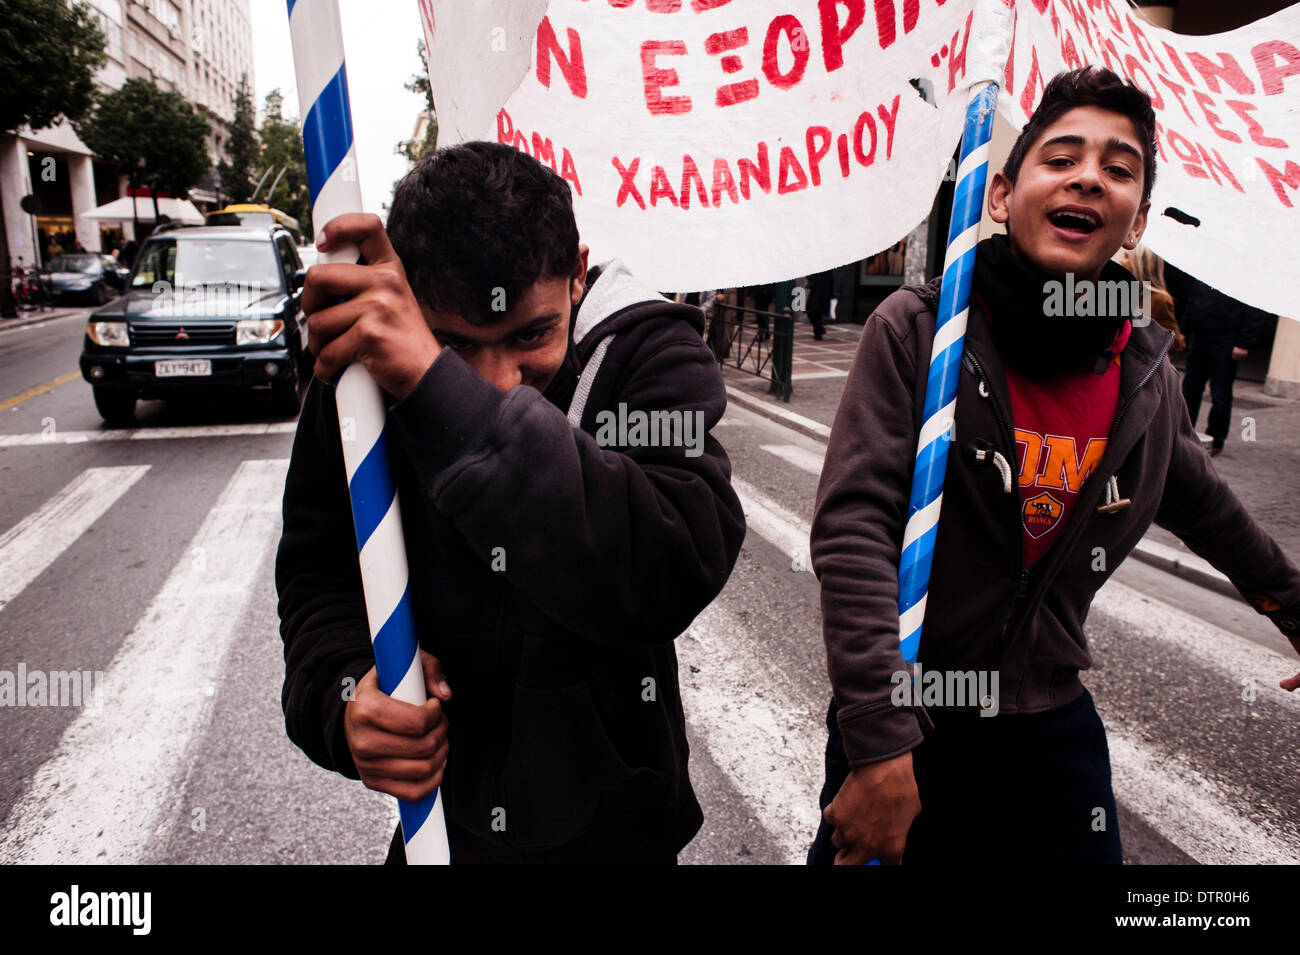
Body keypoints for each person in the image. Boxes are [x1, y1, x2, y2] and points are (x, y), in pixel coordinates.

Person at [807, 66, 1300, 866]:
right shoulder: (920, 333)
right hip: (910, 718)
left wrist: (1292, 605)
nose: (1087, 177)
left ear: (1137, 221)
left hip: (1047, 722)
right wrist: (877, 740)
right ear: (1000, 194)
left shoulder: (1141, 365)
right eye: (1062, 156)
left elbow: (1202, 502)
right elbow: (853, 531)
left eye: (1117, 167)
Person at [277, 141, 746, 864]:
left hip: (619, 832)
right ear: (408, 296)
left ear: (577, 274)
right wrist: (343, 698)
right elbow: (319, 574)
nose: (501, 379)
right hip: (441, 827)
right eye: (455, 344)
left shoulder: (650, 353)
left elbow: (672, 565)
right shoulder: (362, 382)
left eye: (531, 334)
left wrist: (442, 387)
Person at [1178, 277, 1273, 457]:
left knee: (1220, 394)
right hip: (1199, 338)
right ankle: (1182, 434)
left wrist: (1244, 342)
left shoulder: (1244, 281)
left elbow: (1255, 312)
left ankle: (1216, 439)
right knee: (1189, 390)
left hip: (1226, 341)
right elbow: (1193, 301)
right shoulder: (1206, 274)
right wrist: (1184, 329)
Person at [806, 269, 834, 340]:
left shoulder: (819, 269)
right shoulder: (828, 270)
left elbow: (810, 277)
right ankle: (818, 333)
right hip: (824, 294)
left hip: (818, 293)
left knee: (812, 313)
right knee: (817, 314)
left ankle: (819, 330)